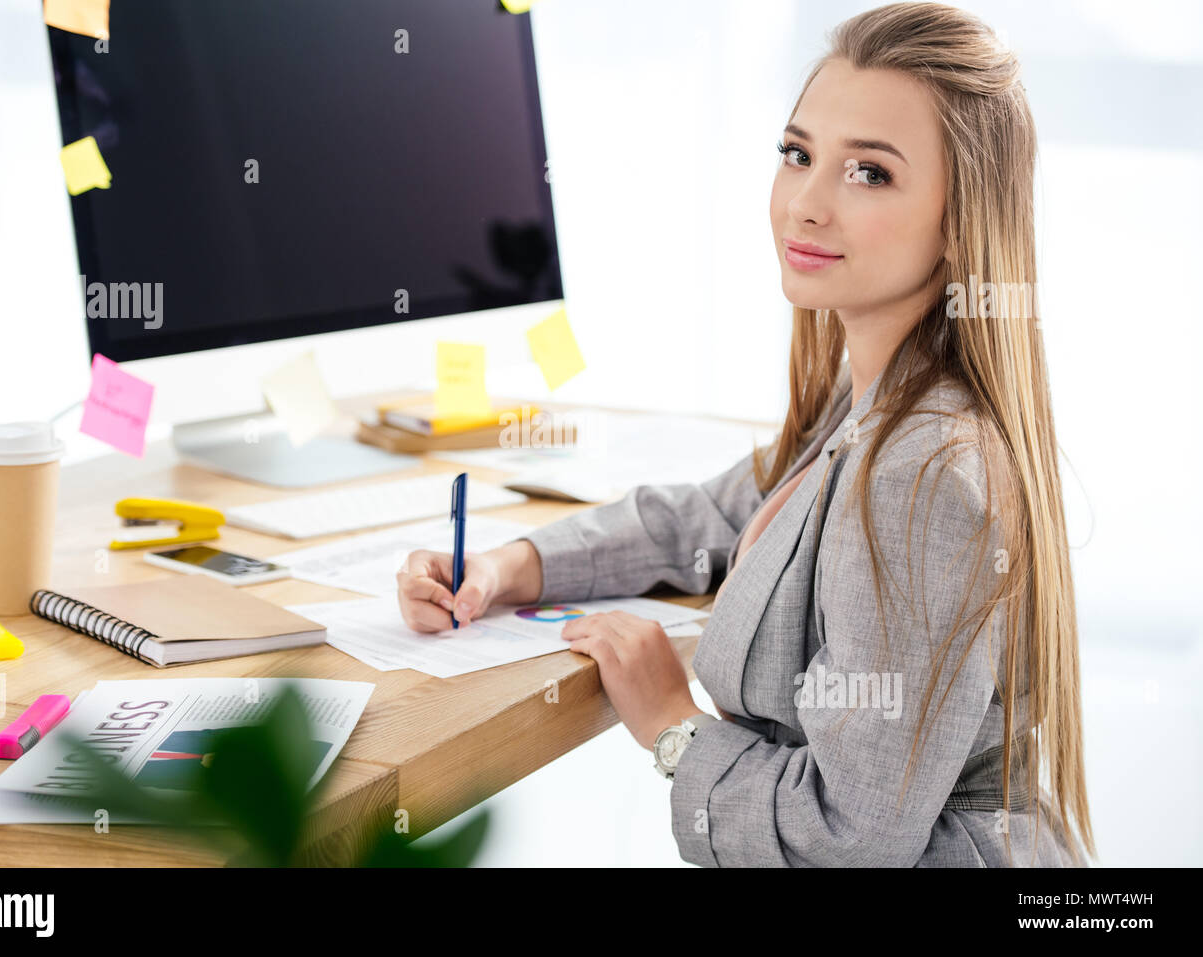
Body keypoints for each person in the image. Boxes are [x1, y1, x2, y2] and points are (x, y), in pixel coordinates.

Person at [396, 1, 1093, 867]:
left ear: (962, 222)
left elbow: (851, 839)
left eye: (869, 174)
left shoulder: (924, 469)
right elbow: (710, 519)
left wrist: (672, 723)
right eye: (798, 155)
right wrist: (508, 568)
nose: (805, 203)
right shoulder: (875, 397)